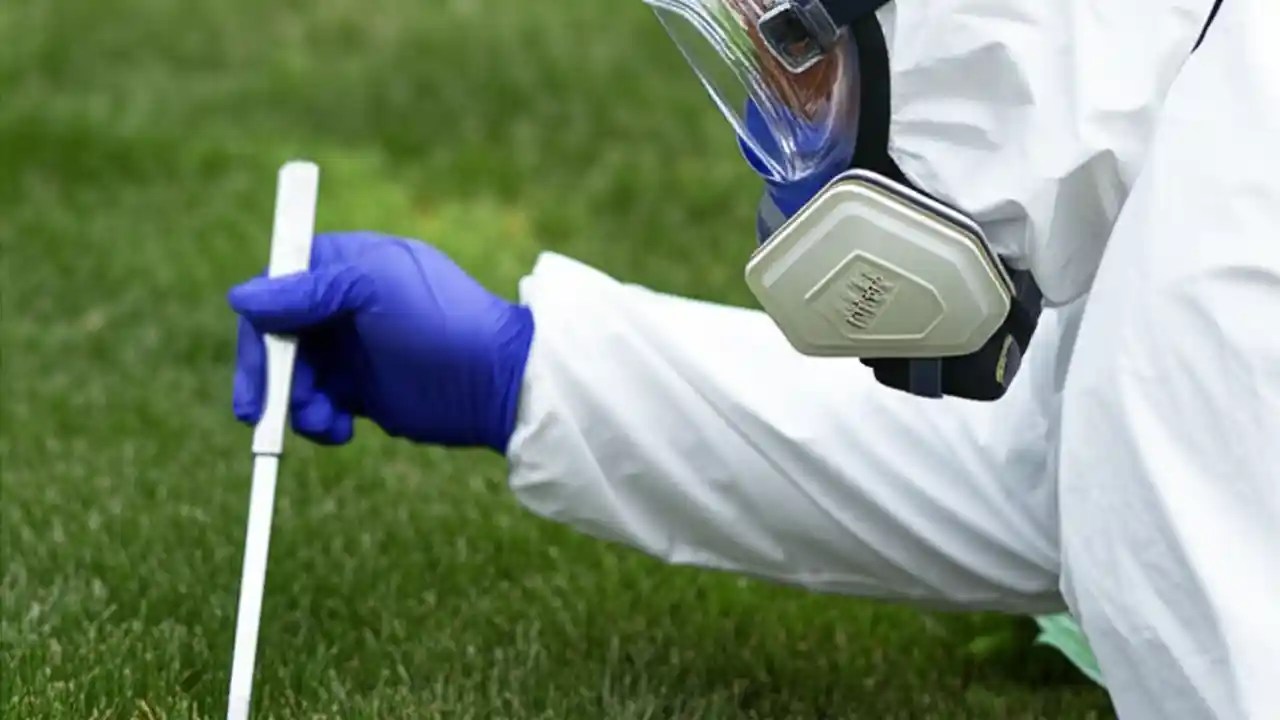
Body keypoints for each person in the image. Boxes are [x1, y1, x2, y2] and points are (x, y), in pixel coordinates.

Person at [228, 0, 1279, 717]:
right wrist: (527, 372)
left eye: (787, 48)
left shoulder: (1217, 281)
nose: (777, 117)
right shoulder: (1205, 131)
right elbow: (1064, 478)